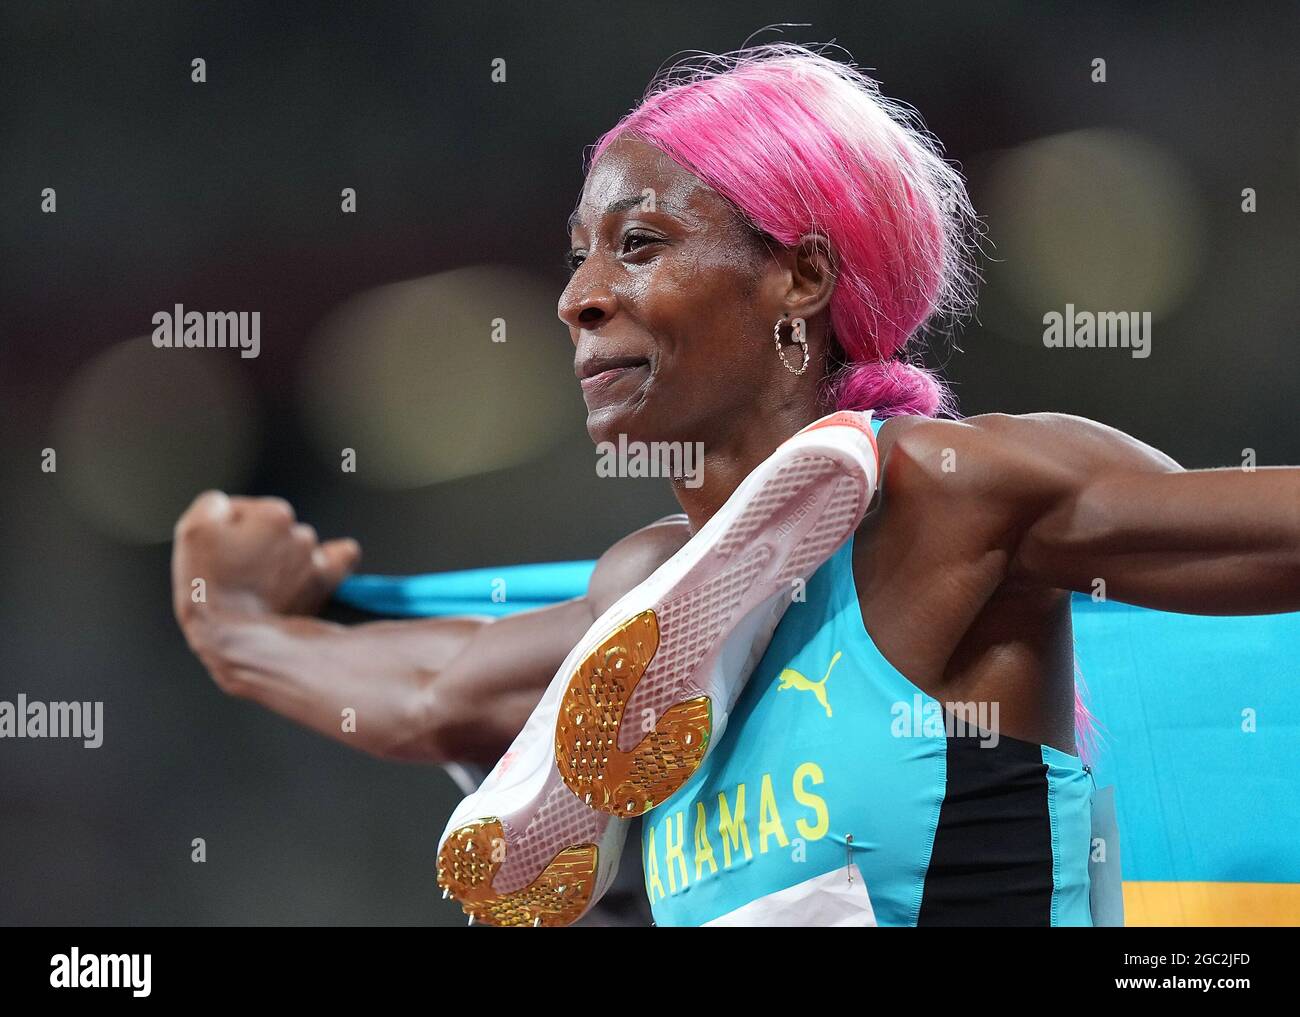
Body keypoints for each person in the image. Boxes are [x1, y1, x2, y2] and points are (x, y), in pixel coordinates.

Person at [172, 43, 1300, 927]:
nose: (576, 298)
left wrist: (240, 629)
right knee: (599, 671)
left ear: (800, 277)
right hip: (659, 616)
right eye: (578, 255)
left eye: (640, 243)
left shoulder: (954, 497)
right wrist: (236, 628)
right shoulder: (645, 589)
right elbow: (438, 693)